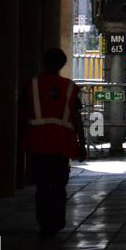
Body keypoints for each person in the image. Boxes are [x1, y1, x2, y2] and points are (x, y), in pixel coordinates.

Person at [21, 48, 86, 238]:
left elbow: (22, 113)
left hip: (38, 141)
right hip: (61, 143)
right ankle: (57, 221)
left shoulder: (32, 85)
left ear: (43, 63)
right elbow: (76, 118)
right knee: (58, 185)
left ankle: (43, 222)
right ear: (62, 64)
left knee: (41, 185)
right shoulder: (69, 87)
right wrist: (82, 144)